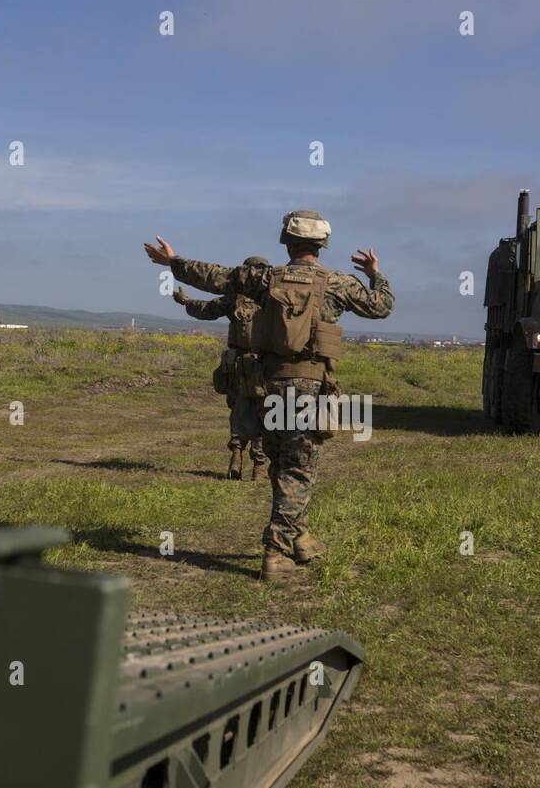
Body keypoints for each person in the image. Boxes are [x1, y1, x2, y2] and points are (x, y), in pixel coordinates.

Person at [144, 210, 394, 580]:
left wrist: (174, 262)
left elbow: (217, 277)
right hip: (307, 387)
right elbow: (382, 306)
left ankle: (301, 539)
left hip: (267, 386)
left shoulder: (263, 277)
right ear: (322, 245)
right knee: (299, 468)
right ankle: (276, 552)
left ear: (286, 242)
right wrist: (374, 273)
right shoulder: (339, 283)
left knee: (281, 464)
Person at [173, 255, 271, 480]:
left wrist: (185, 301)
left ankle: (236, 456)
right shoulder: (272, 297)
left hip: (236, 364)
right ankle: (259, 466)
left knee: (238, 411)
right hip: (263, 366)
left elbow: (206, 309)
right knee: (264, 414)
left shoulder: (234, 299)